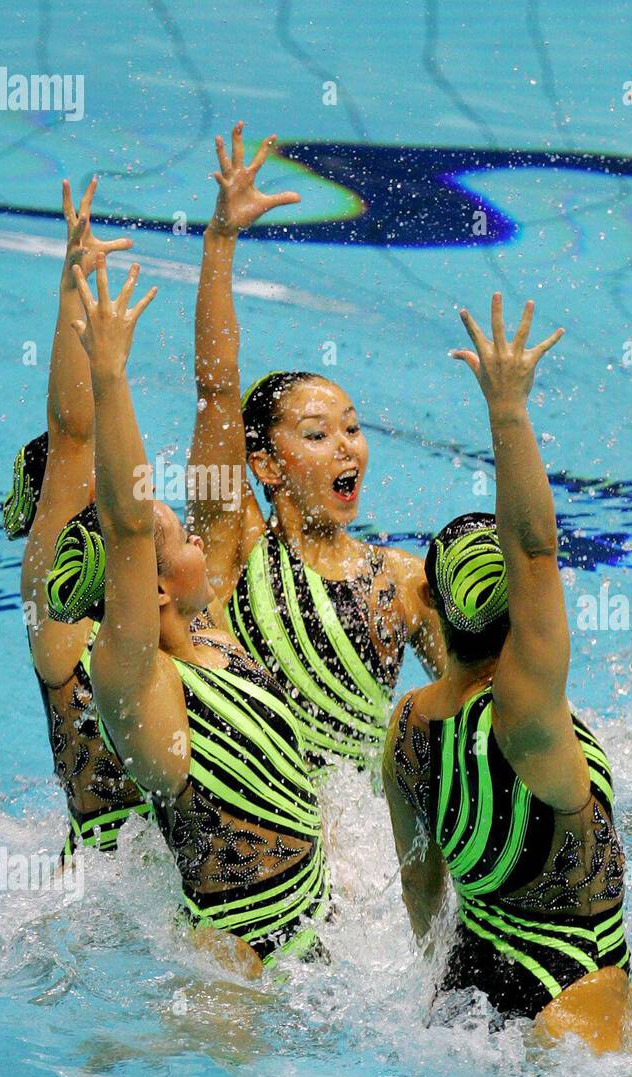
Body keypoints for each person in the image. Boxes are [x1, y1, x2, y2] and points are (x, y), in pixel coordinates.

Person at [65, 254, 331, 978]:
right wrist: (111, 376)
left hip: (319, 937)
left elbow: (217, 401)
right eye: (182, 538)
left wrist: (218, 242)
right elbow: (126, 524)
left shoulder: (209, 626)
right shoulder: (142, 690)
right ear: (145, 591)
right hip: (239, 970)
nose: (197, 536)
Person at [383, 294, 632, 1045]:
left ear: (426, 597)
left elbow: (420, 884)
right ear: (521, 616)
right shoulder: (525, 713)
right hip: (572, 986)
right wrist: (508, 412)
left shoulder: (407, 727)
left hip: (467, 985)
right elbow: (535, 551)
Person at [187, 122, 443, 775]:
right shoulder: (235, 545)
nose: (345, 447)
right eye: (317, 434)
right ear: (266, 464)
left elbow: (483, 701)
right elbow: (217, 391)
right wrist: (220, 241)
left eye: (352, 428)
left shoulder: (402, 582)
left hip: (359, 844)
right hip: (259, 833)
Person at [15, 179, 149, 859]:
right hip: (105, 885)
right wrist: (74, 288)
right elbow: (72, 433)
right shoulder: (63, 634)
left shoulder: (165, 601)